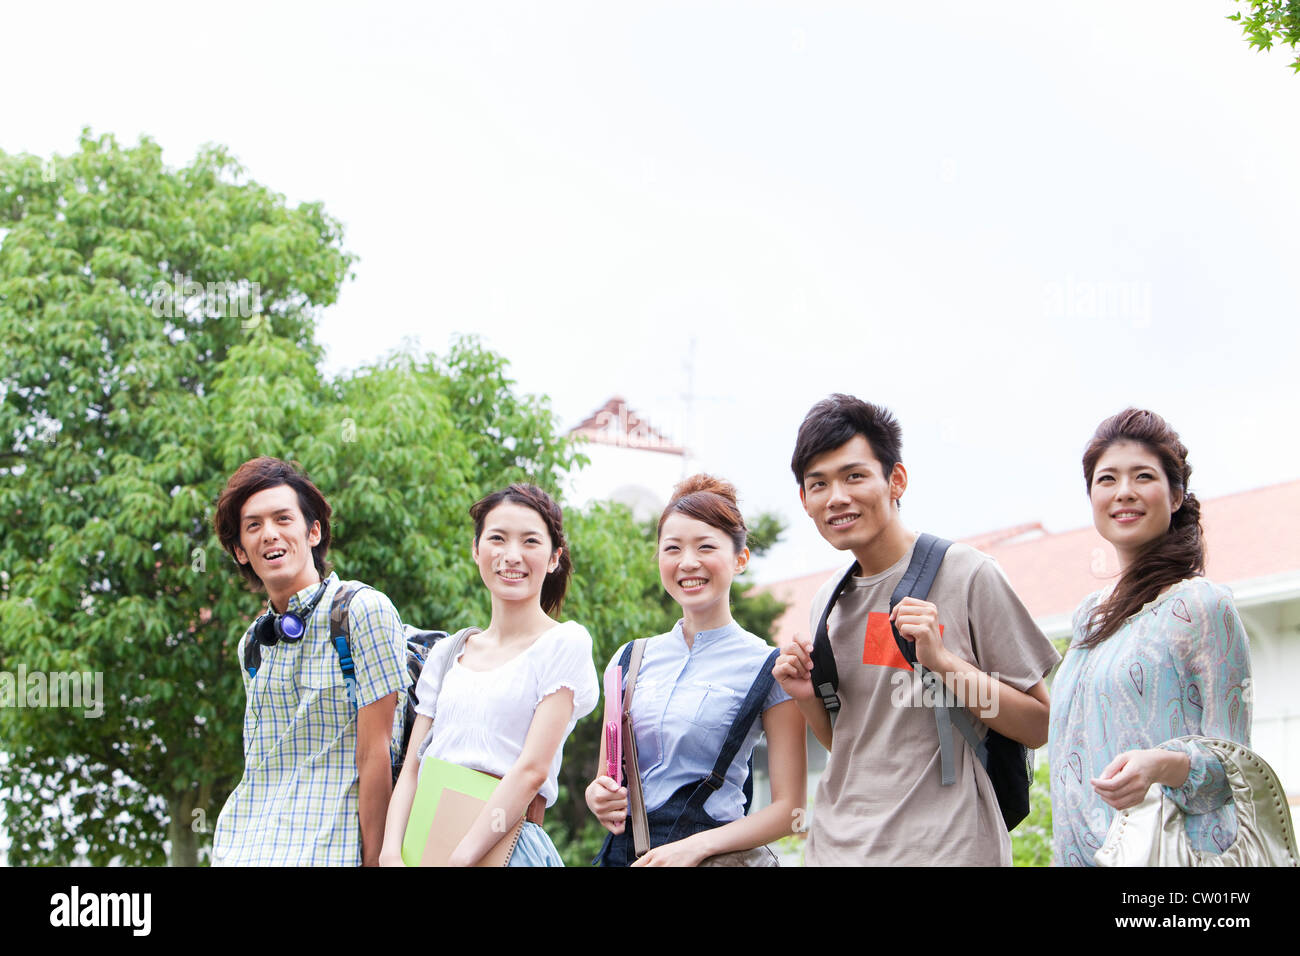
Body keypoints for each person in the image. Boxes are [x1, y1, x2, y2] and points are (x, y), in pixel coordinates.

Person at [773, 394, 1060, 865]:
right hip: (839, 851)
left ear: (896, 480)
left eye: (854, 475)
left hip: (949, 850)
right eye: (818, 484)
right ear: (804, 501)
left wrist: (945, 664)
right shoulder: (827, 603)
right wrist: (806, 695)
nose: (837, 497)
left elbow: (1039, 725)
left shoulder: (967, 574)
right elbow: (856, 744)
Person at [1048, 408, 1252, 866]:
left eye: (1143, 476)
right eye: (1107, 479)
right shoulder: (1088, 617)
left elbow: (1236, 769)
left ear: (1176, 495)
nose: (1124, 493)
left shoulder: (1203, 606)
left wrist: (1161, 765)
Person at [587, 475, 807, 867]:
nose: (688, 562)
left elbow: (791, 810)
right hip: (625, 857)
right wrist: (599, 798)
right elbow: (606, 777)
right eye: (672, 548)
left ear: (740, 559)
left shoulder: (770, 667)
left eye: (706, 547)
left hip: (712, 859)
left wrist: (697, 847)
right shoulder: (628, 658)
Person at [380, 484, 597, 866]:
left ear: (553, 558)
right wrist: (390, 853)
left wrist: (459, 861)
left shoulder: (564, 642)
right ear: (476, 549)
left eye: (530, 541)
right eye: (497, 538)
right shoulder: (448, 653)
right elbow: (414, 766)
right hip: (424, 843)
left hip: (506, 847)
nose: (511, 556)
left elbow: (530, 771)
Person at [210, 457, 409, 866]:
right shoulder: (252, 643)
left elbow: (376, 756)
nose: (269, 534)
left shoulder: (361, 611)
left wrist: (375, 862)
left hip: (328, 851)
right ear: (239, 551)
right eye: (253, 526)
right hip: (244, 849)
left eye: (283, 518)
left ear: (313, 531)